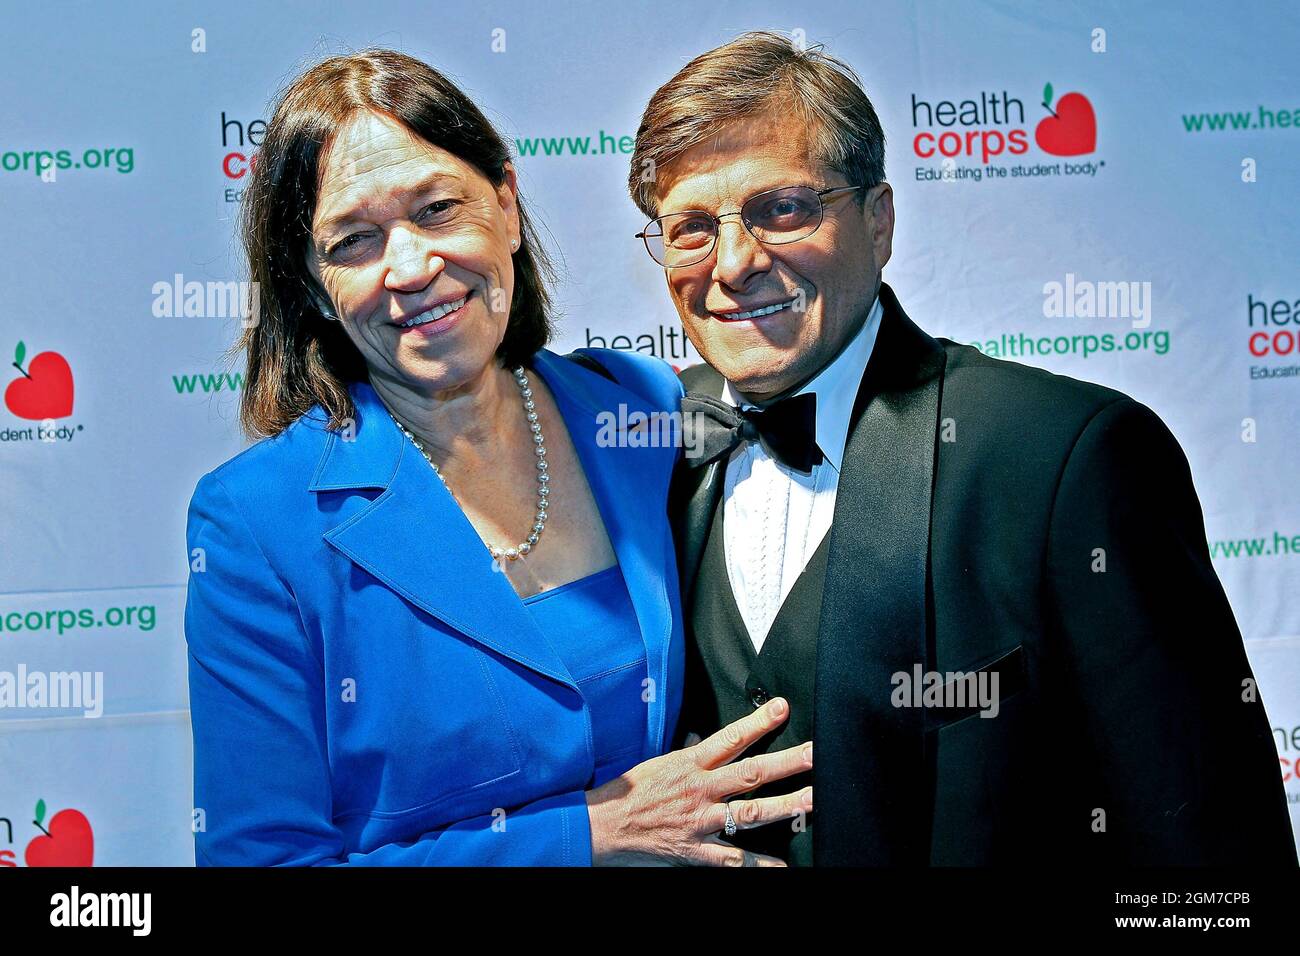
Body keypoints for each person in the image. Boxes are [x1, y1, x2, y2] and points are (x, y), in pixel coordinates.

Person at [627, 32, 1298, 866]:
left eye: (783, 208)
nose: (733, 263)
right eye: (690, 227)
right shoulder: (642, 441)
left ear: (879, 221)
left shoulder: (1066, 454)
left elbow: (1209, 847)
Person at [183, 48, 812, 866]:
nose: (410, 267)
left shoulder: (640, 408)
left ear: (508, 207)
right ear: (310, 285)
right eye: (353, 241)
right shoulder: (255, 522)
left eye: (438, 209)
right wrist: (586, 836)